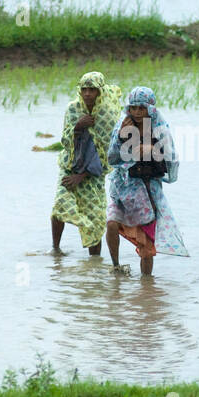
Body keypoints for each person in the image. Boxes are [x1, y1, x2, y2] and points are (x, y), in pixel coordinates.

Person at [105, 86, 188, 276]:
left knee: (146, 243)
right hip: (124, 188)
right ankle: (116, 266)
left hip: (148, 191)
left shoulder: (159, 129)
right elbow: (112, 157)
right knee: (111, 223)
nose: (137, 112)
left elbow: (170, 158)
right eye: (133, 108)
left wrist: (150, 149)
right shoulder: (123, 126)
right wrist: (122, 137)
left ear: (150, 108)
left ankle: (147, 284)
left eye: (141, 108)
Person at [51, 71, 122, 255]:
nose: (88, 93)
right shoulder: (73, 109)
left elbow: (107, 153)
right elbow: (65, 142)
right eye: (84, 89)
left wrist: (82, 176)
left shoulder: (108, 114)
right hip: (70, 167)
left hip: (94, 174)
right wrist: (77, 127)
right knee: (59, 207)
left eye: (92, 89)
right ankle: (56, 250)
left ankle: (94, 266)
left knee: (95, 219)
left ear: (100, 91)